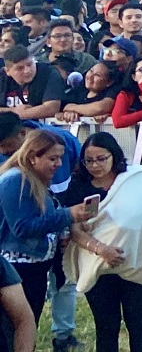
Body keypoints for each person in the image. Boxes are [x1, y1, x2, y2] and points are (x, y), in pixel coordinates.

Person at [64, 132, 142, 352]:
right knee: (106, 327)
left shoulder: (136, 178)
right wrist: (102, 249)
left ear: (114, 156)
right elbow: (74, 230)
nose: (95, 165)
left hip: (135, 261)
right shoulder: (78, 186)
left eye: (101, 159)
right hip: (97, 265)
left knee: (138, 323)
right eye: (89, 160)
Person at [0, 129, 95, 323]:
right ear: (33, 157)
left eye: (60, 158)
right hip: (17, 269)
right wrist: (68, 215)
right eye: (53, 159)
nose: (59, 164)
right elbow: (22, 228)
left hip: (35, 268)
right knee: (18, 328)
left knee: (28, 325)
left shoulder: (34, 178)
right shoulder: (15, 180)